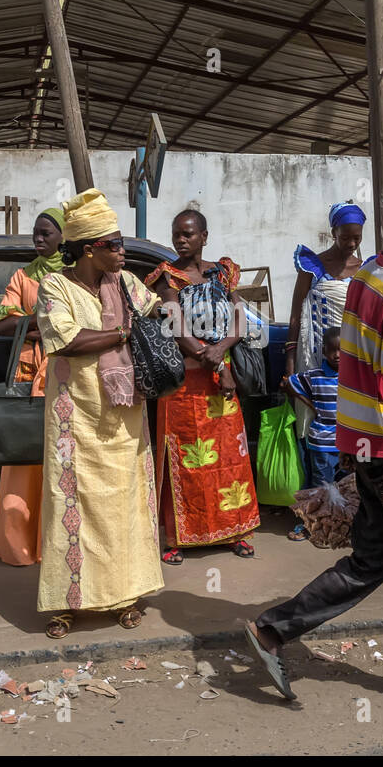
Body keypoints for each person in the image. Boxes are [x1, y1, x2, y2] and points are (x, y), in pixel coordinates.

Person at [243, 181, 383, 703]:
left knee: (372, 560)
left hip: (362, 444)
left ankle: (272, 630)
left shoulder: (366, 276)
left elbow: (370, 359)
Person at [35, 188, 164, 639]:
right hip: (75, 418)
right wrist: (121, 333)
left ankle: (126, 597)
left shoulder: (127, 284)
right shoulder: (55, 286)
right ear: (90, 249)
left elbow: (157, 315)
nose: (123, 251)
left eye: (121, 242)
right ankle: (67, 602)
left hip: (125, 415)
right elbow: (64, 341)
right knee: (71, 506)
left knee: (124, 506)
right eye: (114, 244)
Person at [147, 209, 261, 563]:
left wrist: (222, 350)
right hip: (184, 384)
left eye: (188, 234)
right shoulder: (168, 278)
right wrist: (210, 358)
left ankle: (236, 530)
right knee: (186, 460)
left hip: (221, 379)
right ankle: (178, 537)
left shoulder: (222, 273)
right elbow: (176, 326)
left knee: (230, 459)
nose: (181, 240)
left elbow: (240, 317)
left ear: (204, 237)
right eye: (176, 234)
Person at [0, 206, 65, 565]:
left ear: (64, 237)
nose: (38, 239)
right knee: (25, 460)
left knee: (62, 462)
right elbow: (2, 325)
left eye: (46, 234)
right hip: (30, 377)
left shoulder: (74, 275)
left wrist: (30, 322)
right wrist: (40, 320)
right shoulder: (22, 277)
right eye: (35, 233)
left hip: (66, 376)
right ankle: (20, 546)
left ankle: (57, 546)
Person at [285, 201, 365, 376]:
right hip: (314, 359)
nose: (352, 244)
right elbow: (295, 316)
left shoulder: (365, 270)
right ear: (333, 233)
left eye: (357, 238)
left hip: (355, 356)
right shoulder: (311, 267)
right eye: (345, 238)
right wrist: (290, 362)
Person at [284, 326, 342, 540]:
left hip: (347, 442)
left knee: (348, 486)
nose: (337, 355)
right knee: (320, 486)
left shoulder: (353, 377)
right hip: (322, 442)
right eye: (332, 350)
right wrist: (313, 405)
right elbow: (289, 382)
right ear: (324, 351)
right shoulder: (315, 376)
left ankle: (339, 525)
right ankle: (311, 526)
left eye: (342, 350)